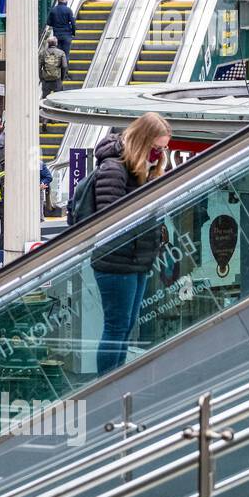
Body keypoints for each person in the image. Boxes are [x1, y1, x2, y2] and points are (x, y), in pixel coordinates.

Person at [91, 111, 172, 374]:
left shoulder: (144, 168)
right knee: (116, 326)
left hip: (137, 259)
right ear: (142, 141)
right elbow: (110, 217)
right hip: (116, 260)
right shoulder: (114, 168)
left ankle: (116, 380)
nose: (159, 155)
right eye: (156, 148)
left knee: (126, 326)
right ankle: (104, 385)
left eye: (163, 150)